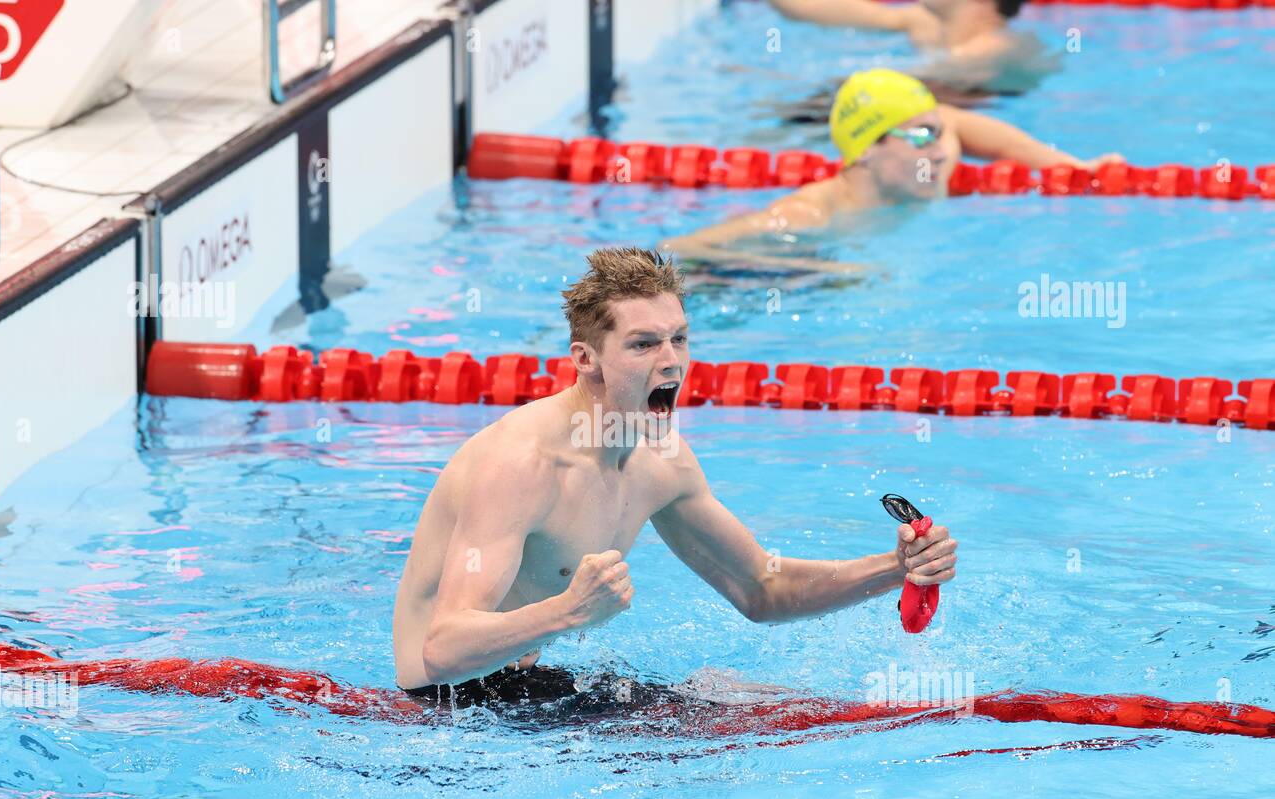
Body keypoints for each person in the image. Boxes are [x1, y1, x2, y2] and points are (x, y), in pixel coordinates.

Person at [392, 247, 958, 706]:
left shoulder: (660, 458)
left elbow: (761, 588)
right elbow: (442, 650)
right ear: (586, 359)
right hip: (447, 711)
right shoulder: (520, 466)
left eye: (679, 339)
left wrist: (895, 568)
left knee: (764, 707)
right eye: (643, 344)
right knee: (763, 718)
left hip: (524, 692)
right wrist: (567, 614)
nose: (671, 361)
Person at [662, 68, 1122, 273]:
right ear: (865, 151)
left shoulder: (928, 169)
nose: (941, 151)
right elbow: (678, 248)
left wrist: (1070, 166)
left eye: (937, 133)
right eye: (921, 136)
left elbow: (962, 124)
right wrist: (822, 269)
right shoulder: (808, 215)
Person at [767, 0, 1059, 99]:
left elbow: (892, 83)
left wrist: (777, 80)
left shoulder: (999, 48)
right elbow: (806, 7)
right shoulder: (923, 24)